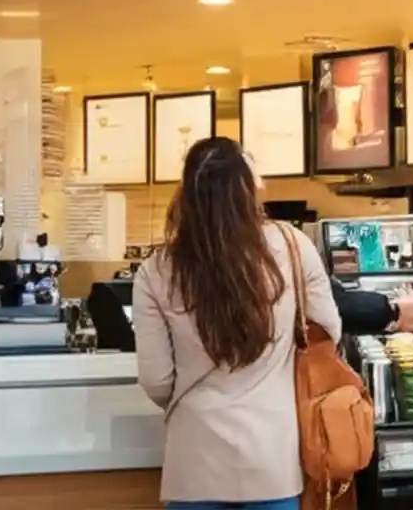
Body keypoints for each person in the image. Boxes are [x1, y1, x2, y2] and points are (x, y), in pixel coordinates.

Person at [133, 137, 341, 510]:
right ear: (247, 188)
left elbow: (156, 380)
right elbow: (328, 330)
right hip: (273, 457)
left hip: (194, 460)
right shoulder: (293, 246)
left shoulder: (156, 270)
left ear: (188, 193)